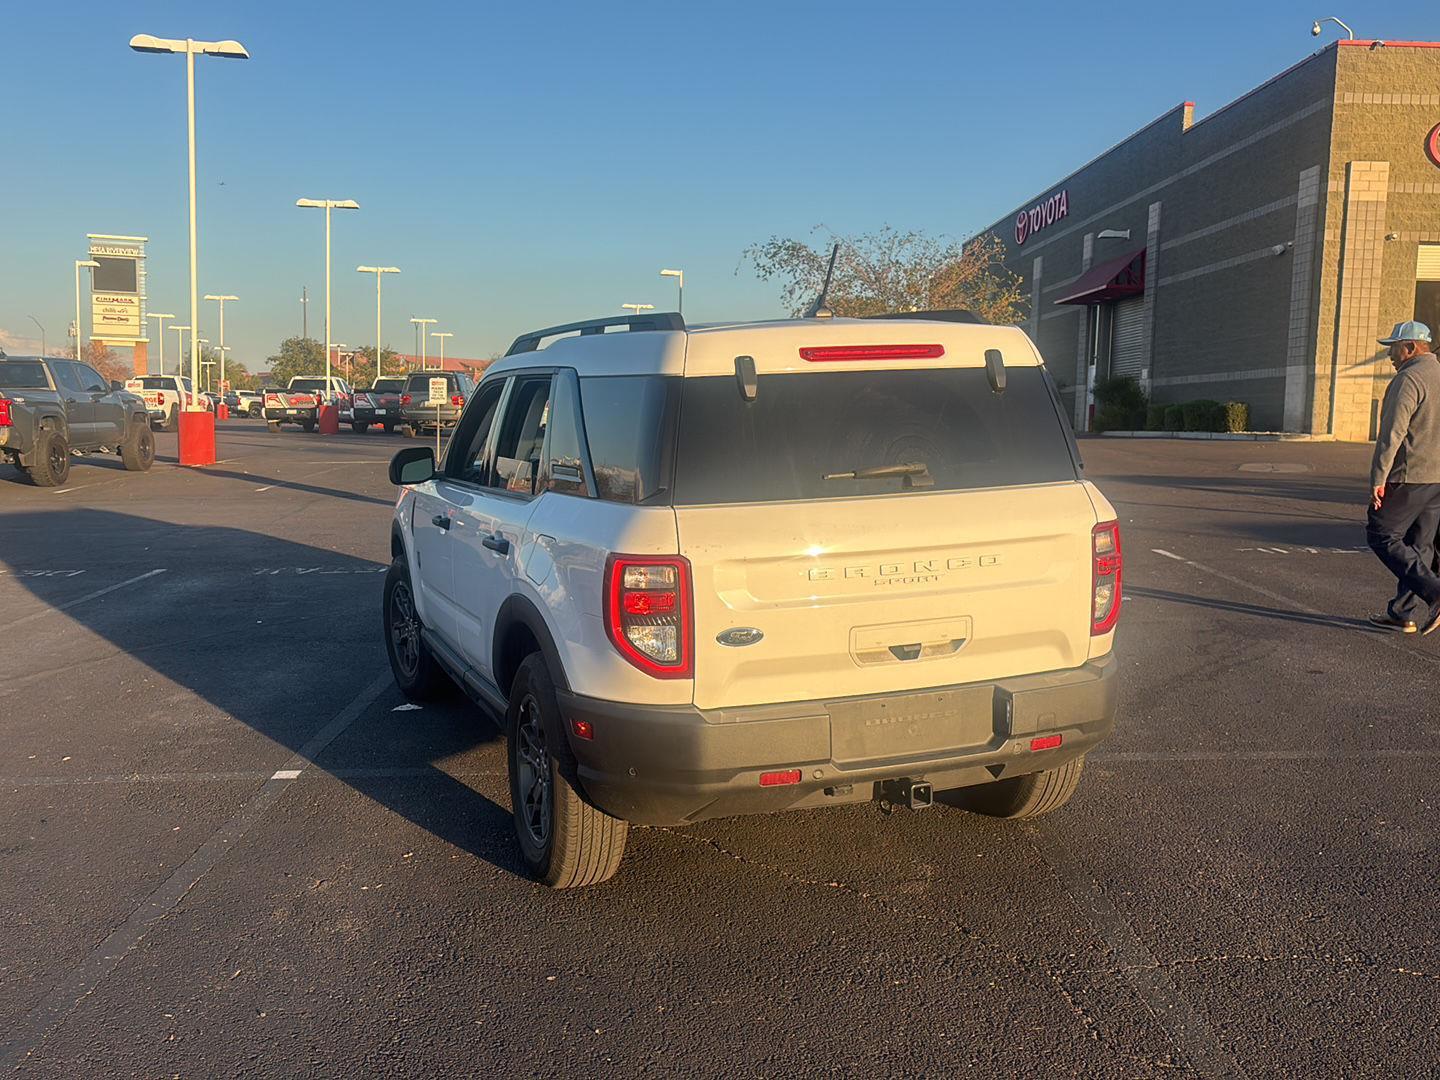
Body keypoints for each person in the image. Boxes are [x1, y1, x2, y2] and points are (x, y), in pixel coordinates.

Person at [1366, 321, 1440, 634]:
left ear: (1409, 347)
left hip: (1409, 476)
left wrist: (1378, 478)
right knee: (1419, 543)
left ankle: (1435, 593)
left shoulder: (1409, 378)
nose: (1390, 356)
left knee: (1381, 533)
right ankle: (1402, 613)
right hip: (1437, 480)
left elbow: (1392, 433)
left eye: (1393, 348)